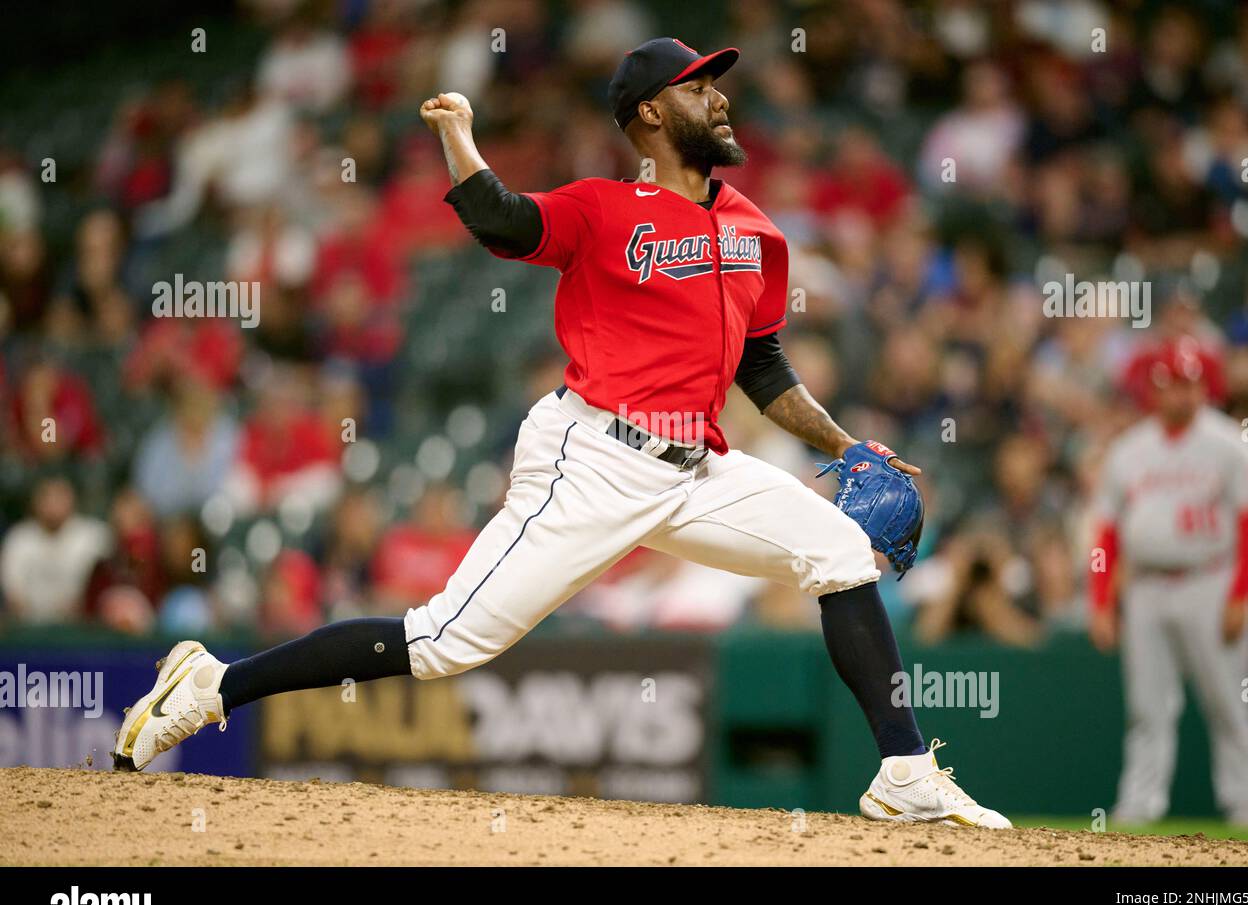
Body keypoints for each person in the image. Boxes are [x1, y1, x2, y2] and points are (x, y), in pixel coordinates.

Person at [114, 38, 1008, 828]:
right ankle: (213, 685)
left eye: (719, 84)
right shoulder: (602, 208)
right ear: (651, 114)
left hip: (698, 467)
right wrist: (458, 137)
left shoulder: (754, 231)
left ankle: (905, 774)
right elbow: (505, 222)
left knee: (842, 552)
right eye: (701, 87)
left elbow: (762, 367)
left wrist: (844, 447)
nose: (721, 98)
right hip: (593, 460)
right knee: (439, 643)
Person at [1089, 337, 1248, 826]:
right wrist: (1101, 601)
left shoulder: (1230, 442)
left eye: (1190, 384)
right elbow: (1104, 534)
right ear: (1155, 390)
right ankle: (1138, 805)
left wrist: (1241, 593)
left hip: (1210, 581)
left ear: (1203, 387)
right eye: (1171, 385)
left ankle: (1247, 806)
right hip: (1146, 587)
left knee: (1230, 702)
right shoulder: (1130, 450)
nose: (1181, 395)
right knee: (1147, 706)